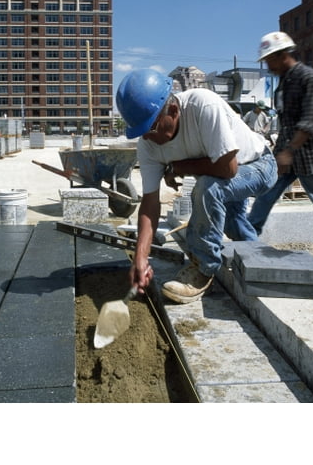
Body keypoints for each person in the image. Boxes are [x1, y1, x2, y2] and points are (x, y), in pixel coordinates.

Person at [115, 68, 278, 304]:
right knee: (233, 226)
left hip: (259, 165)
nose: (148, 138)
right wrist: (141, 257)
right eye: (142, 132)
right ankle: (264, 269)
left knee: (207, 188)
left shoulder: (203, 106)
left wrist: (178, 168)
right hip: (225, 175)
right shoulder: (148, 144)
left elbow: (228, 169)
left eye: (152, 128)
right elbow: (150, 203)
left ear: (173, 110)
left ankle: (203, 270)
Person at [247, 31, 313, 271]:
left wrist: (288, 152)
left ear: (281, 55)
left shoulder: (311, 79)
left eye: (269, 60)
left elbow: (309, 122)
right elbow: (286, 122)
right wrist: (278, 154)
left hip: (312, 154)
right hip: (287, 153)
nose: (267, 65)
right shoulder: (283, 84)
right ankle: (246, 240)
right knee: (265, 195)